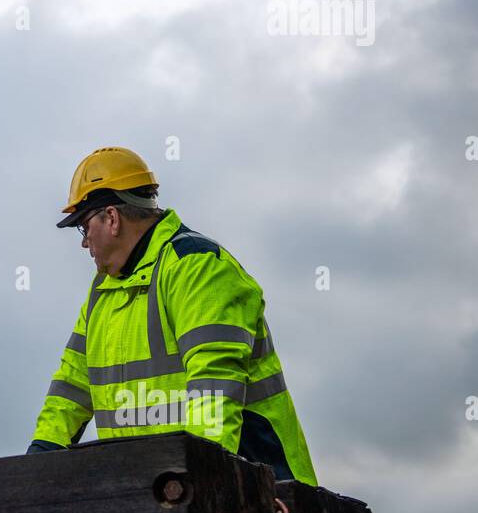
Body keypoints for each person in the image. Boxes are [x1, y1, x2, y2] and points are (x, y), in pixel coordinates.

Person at [26, 146, 318, 486]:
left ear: (112, 218)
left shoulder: (197, 267)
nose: (84, 242)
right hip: (157, 495)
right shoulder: (102, 292)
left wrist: (199, 483)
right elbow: (72, 386)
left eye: (83, 227)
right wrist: (38, 461)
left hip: (260, 491)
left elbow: (214, 387)